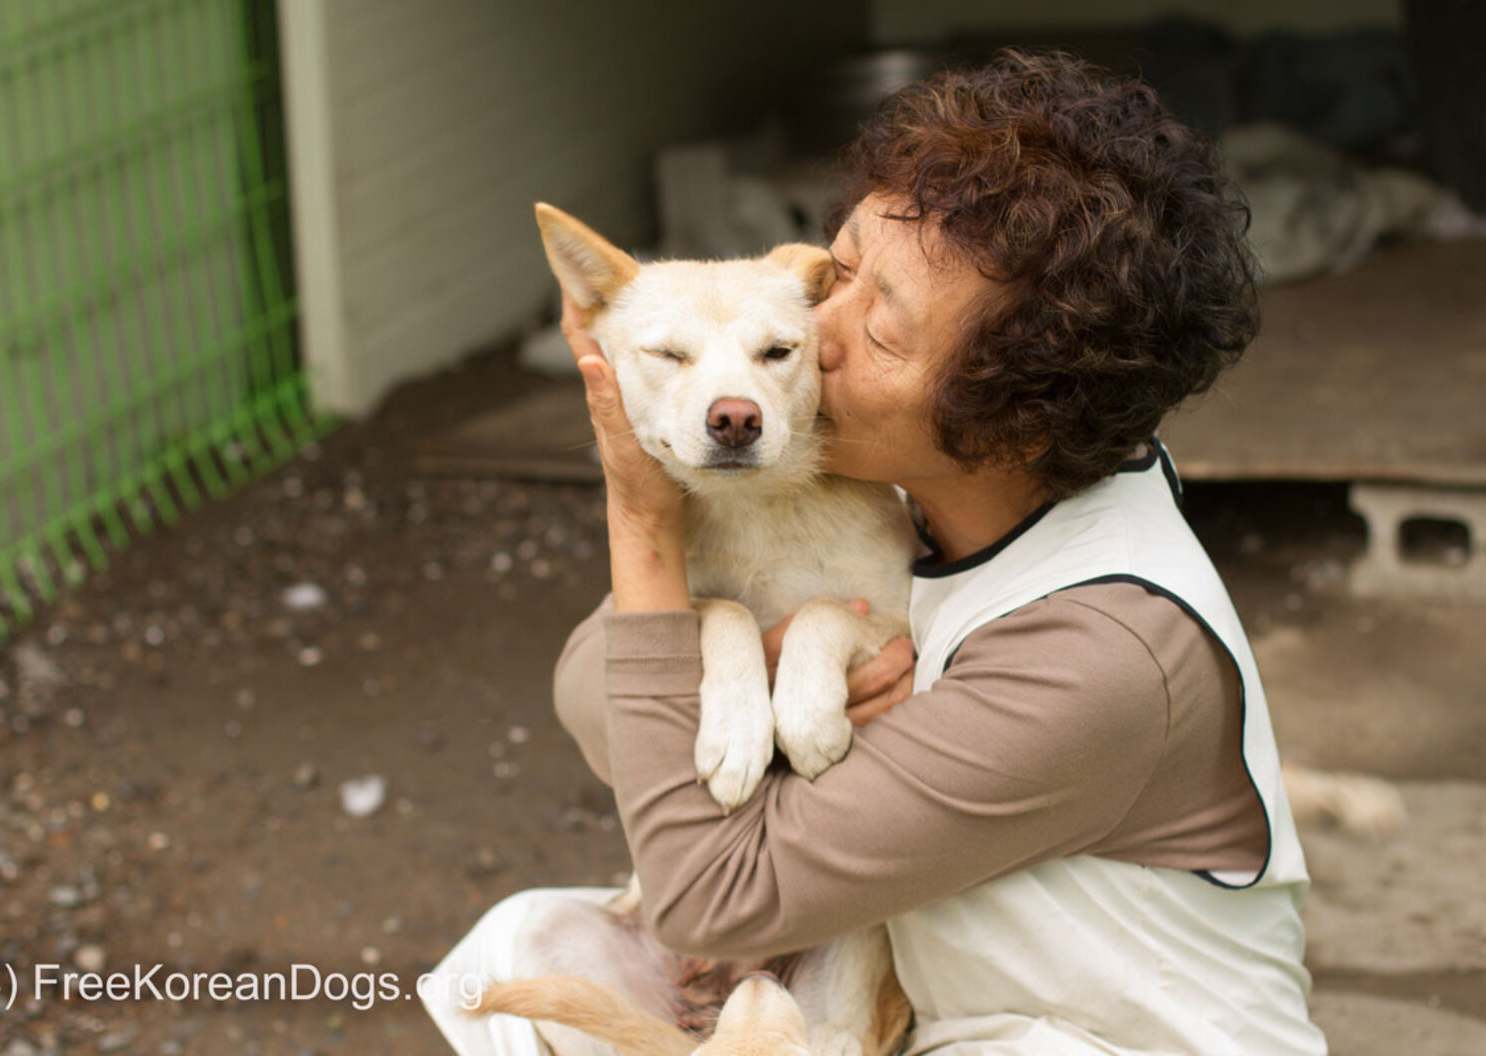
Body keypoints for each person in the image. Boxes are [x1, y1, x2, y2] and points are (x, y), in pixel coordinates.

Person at [426, 49, 1327, 1055]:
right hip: (940, 1008)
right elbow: (591, 694)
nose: (816, 332)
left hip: (1091, 1042)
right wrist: (736, 658)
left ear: (1012, 417)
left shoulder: (1104, 651)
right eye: (839, 272)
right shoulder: (902, 489)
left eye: (883, 329)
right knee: (514, 954)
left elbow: (708, 893)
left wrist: (641, 523)